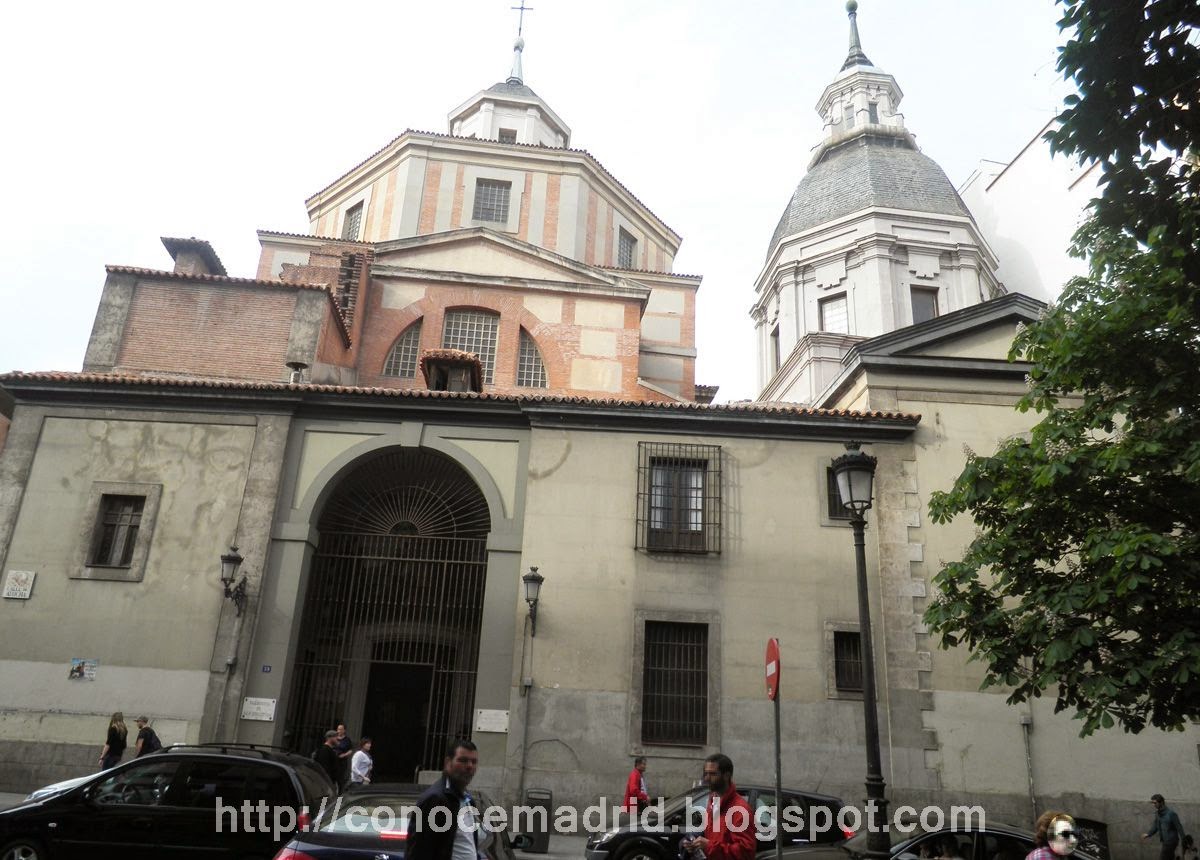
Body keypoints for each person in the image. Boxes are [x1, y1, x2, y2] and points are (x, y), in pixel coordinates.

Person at [406, 739, 483, 860]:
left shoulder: (466, 799)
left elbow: (468, 844)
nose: (469, 766)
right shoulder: (435, 799)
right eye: (463, 760)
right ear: (448, 763)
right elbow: (420, 851)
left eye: (474, 762)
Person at [681, 754, 755, 860]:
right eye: (705, 773)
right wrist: (695, 843)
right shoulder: (714, 801)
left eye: (713, 774)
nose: (707, 778)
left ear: (726, 775)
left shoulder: (740, 810)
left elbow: (745, 853)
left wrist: (709, 846)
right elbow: (712, 836)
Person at [1143, 794, 1186, 860]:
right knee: (1170, 857)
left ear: (1162, 802)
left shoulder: (1171, 814)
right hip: (1165, 841)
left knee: (1163, 857)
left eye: (1155, 803)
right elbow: (1155, 826)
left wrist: (1184, 841)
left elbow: (1179, 827)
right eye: (1153, 803)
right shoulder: (1158, 814)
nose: (1154, 805)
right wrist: (1149, 834)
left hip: (1171, 841)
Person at [333, 723, 355, 787]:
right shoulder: (334, 738)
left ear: (344, 730)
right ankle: (327, 797)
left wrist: (345, 755)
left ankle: (339, 796)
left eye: (341, 729)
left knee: (340, 780)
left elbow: (350, 750)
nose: (339, 731)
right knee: (331, 779)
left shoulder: (347, 740)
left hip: (342, 762)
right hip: (333, 761)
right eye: (338, 729)